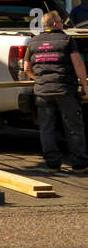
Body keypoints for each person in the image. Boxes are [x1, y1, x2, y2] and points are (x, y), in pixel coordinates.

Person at [22, 9, 88, 173]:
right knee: (73, 127)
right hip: (64, 90)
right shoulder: (66, 40)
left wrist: (37, 79)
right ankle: (79, 164)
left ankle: (53, 164)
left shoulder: (33, 42)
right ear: (54, 24)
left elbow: (26, 68)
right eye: (60, 21)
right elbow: (78, 64)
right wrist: (85, 85)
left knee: (47, 128)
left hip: (43, 91)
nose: (62, 23)